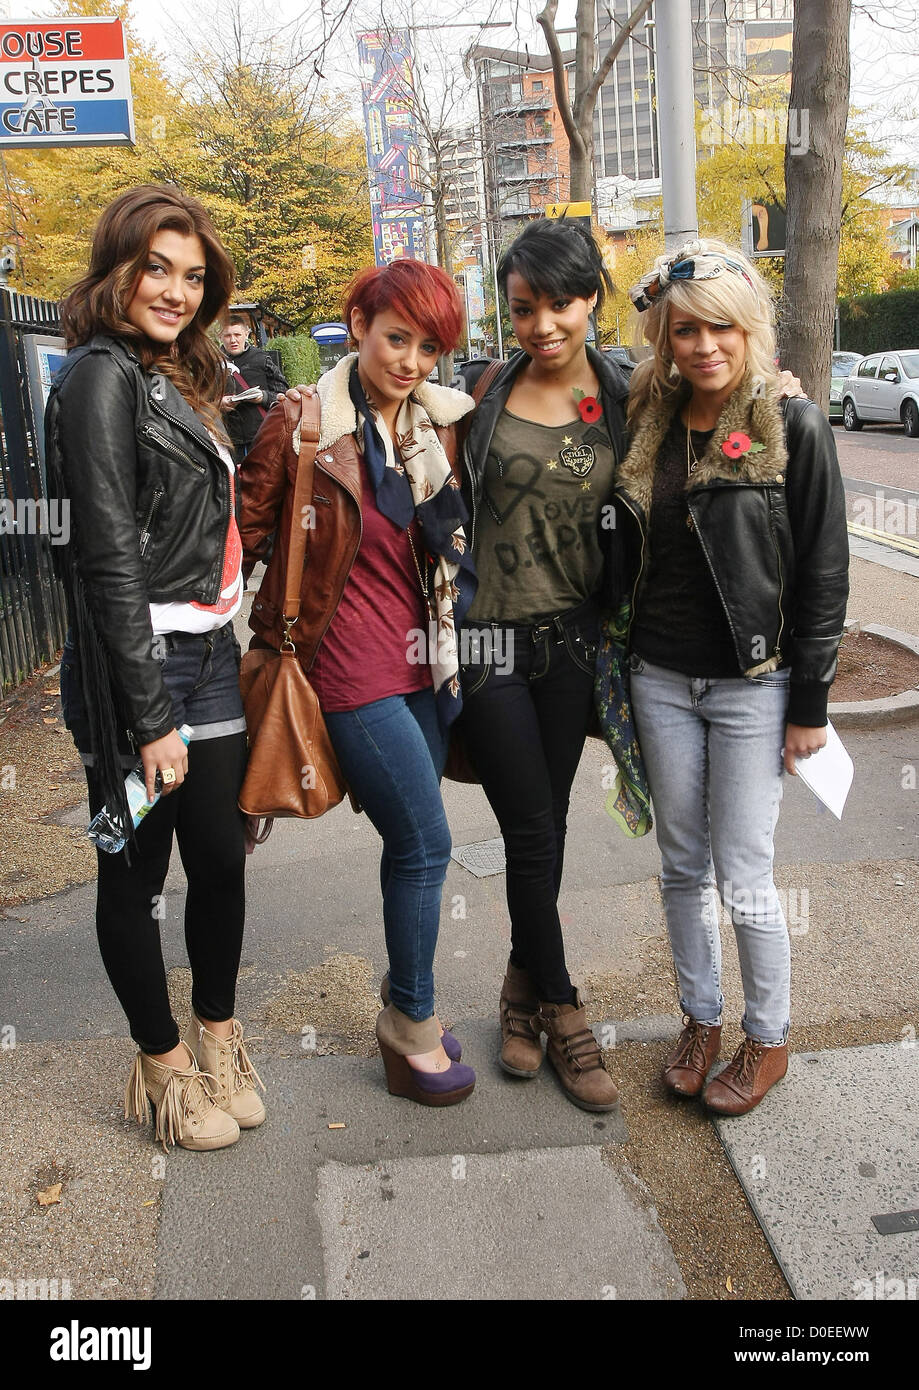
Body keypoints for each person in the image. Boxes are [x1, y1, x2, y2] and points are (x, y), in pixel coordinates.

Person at [47, 185, 264, 1151]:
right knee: (130, 870)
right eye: (155, 270)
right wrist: (147, 721)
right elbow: (105, 564)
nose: (175, 290)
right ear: (117, 270)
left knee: (220, 859)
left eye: (190, 274)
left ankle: (220, 1039)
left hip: (209, 659)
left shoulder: (175, 375)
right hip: (134, 676)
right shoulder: (98, 380)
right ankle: (165, 1066)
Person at [612, 239, 849, 1114]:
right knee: (681, 863)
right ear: (664, 339)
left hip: (754, 683)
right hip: (662, 677)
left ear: (748, 330)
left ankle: (768, 1039)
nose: (702, 345)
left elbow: (823, 573)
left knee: (744, 868)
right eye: (683, 331)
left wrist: (809, 705)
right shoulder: (649, 420)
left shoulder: (794, 425)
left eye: (719, 327)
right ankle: (700, 1020)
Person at [240, 258, 478, 1107]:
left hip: (423, 665)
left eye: (427, 346)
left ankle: (400, 1001)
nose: (410, 360)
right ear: (360, 325)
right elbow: (241, 533)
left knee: (406, 845)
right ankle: (409, 1023)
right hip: (344, 674)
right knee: (427, 844)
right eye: (395, 338)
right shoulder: (304, 424)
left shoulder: (432, 427)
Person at [457, 218, 631, 1111]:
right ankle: (563, 1012)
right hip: (489, 641)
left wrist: (785, 391)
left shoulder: (624, 394)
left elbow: (726, 404)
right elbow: (377, 389)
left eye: (561, 302)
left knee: (549, 826)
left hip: (573, 643)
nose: (543, 324)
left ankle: (516, 995)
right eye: (524, 307)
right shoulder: (483, 390)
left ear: (590, 297)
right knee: (528, 829)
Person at [221, 315, 289, 462]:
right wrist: (219, 403)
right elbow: (199, 399)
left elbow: (284, 393)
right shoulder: (211, 362)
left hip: (261, 435)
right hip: (226, 439)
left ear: (247, 334)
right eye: (227, 335)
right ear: (220, 336)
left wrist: (263, 397)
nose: (233, 340)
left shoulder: (261, 358)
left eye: (237, 335)